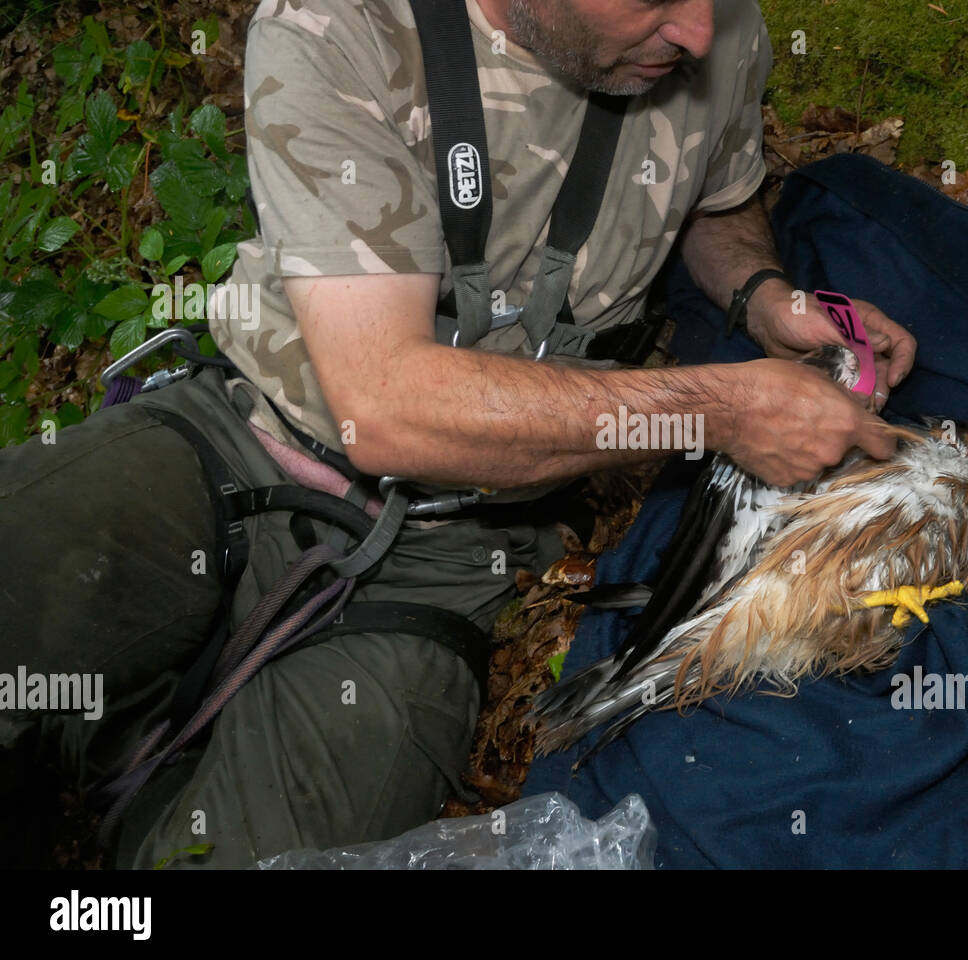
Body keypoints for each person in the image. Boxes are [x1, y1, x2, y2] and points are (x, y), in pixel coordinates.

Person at [0, 0, 915, 869]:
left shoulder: (716, 31)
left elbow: (717, 201)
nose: (700, 30)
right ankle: (124, 710)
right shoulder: (344, 28)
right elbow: (384, 407)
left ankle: (135, 743)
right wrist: (715, 409)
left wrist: (762, 297)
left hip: (452, 547)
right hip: (239, 433)